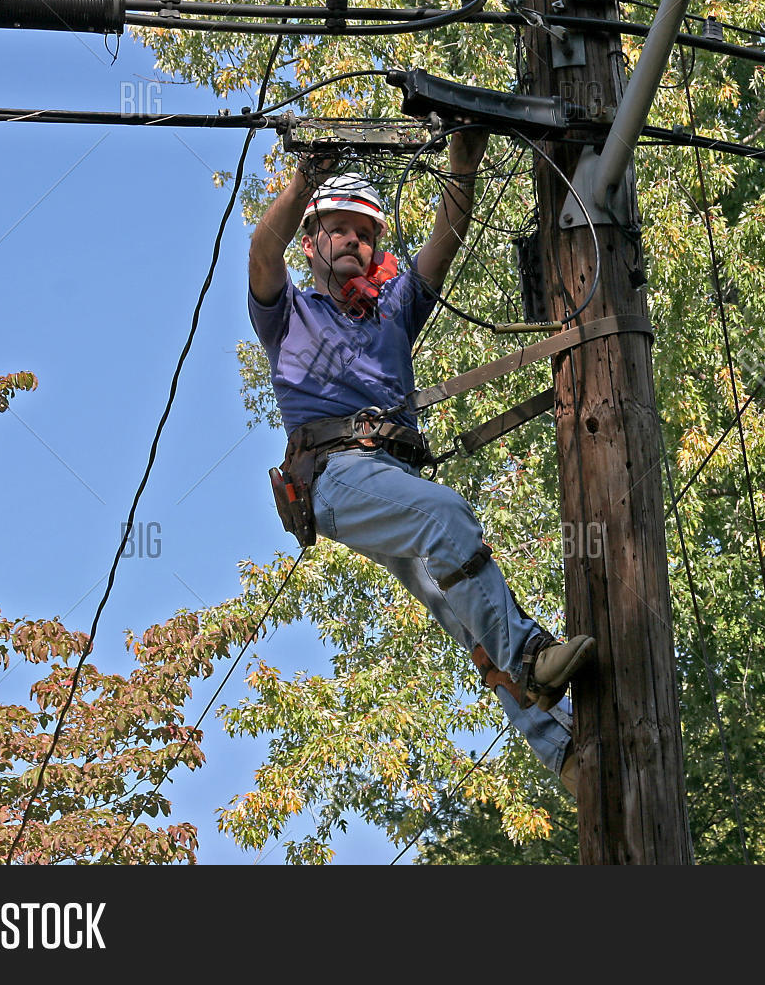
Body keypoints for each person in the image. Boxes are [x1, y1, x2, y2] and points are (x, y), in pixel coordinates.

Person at [246, 130, 593, 795]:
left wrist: (463, 160)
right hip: (334, 477)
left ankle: (565, 753)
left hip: (390, 477)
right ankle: (532, 656)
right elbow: (263, 251)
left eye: (364, 233)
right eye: (338, 230)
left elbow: (448, 236)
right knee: (447, 517)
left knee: (463, 610)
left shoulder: (392, 313)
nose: (353, 241)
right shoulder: (288, 314)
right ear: (311, 243)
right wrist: (302, 184)